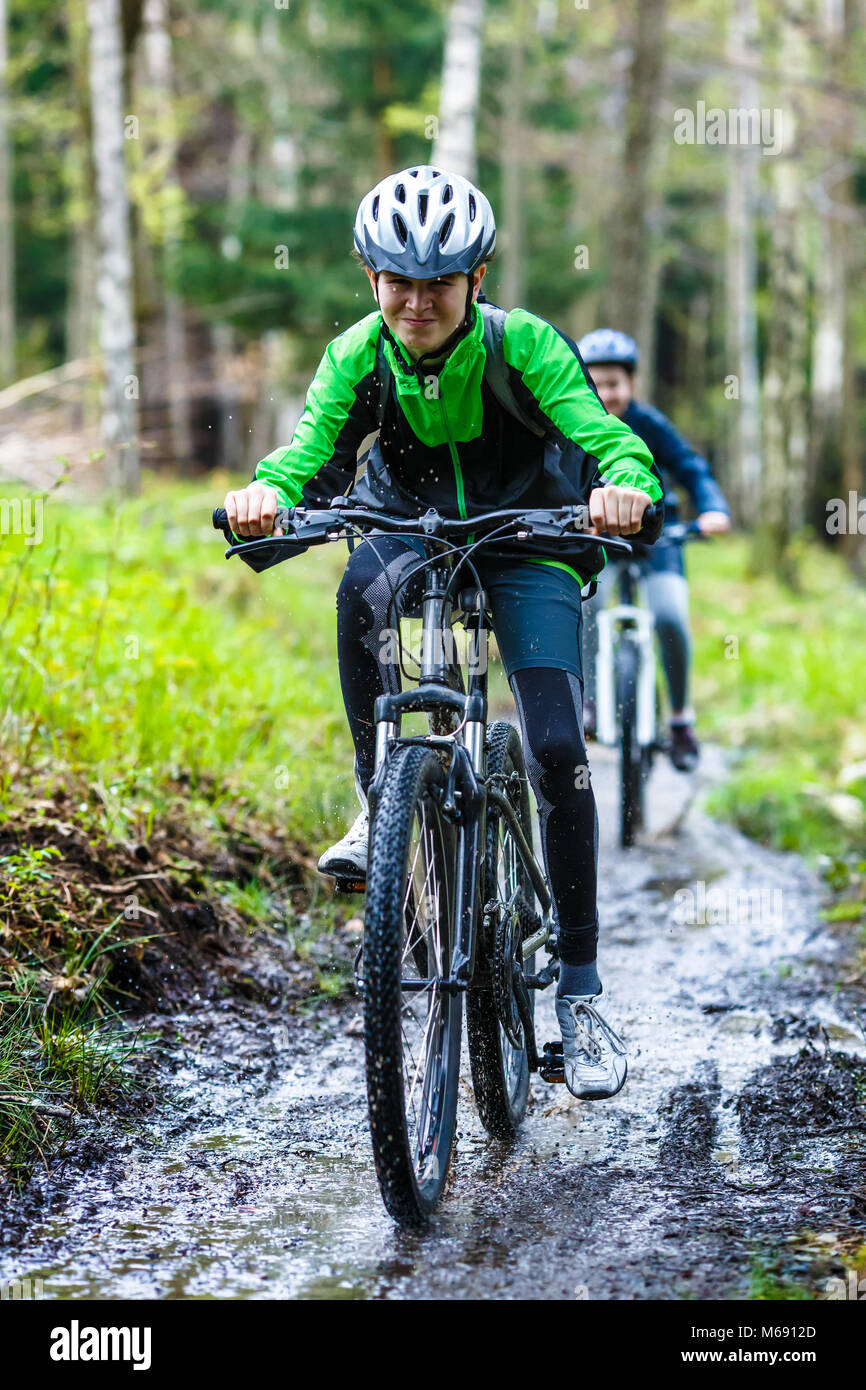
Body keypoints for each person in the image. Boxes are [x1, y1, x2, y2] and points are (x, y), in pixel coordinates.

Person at [223, 166, 665, 1100]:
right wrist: (268, 496)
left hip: (527, 538)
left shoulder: (528, 347)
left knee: (553, 746)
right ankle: (379, 798)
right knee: (360, 588)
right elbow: (306, 457)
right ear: (368, 275)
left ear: (479, 276)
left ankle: (580, 994)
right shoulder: (356, 355)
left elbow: (604, 437)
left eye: (440, 281)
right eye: (398, 280)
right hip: (404, 529)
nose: (417, 301)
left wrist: (624, 490)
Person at [576, 329, 731, 771]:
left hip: (658, 538)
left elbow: (692, 469)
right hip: (601, 538)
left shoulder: (651, 424)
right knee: (588, 605)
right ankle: (587, 700)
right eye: (596, 384)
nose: (606, 394)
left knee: (669, 615)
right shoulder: (574, 424)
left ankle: (680, 718)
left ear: (632, 385)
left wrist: (713, 510)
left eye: (615, 384)